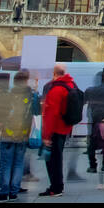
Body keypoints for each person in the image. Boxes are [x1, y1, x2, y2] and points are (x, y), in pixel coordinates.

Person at [0, 71, 35, 201]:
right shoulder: (31, 96)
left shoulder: (7, 95)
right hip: (23, 134)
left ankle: (4, 192)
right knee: (18, 163)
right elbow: (37, 112)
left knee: (6, 163)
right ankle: (14, 191)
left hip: (8, 133)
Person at [39, 65, 77, 197]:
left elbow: (51, 114)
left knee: (53, 160)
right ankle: (57, 186)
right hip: (65, 127)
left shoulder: (56, 89)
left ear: (54, 73)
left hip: (55, 128)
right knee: (57, 157)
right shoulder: (71, 85)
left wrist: (46, 135)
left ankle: (56, 188)